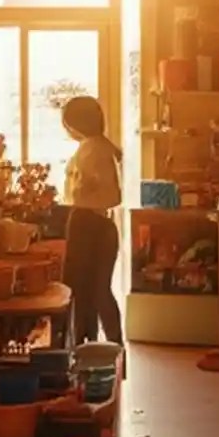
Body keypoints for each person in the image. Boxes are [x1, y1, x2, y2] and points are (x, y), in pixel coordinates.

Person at [60, 95, 124, 348]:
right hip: (101, 223)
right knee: (99, 290)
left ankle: (88, 347)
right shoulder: (101, 147)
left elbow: (95, 190)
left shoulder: (91, 150)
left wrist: (79, 191)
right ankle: (111, 348)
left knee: (83, 291)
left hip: (87, 222)